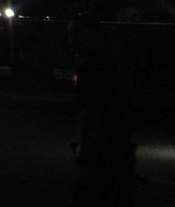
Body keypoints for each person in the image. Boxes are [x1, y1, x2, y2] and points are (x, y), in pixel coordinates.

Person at [69, 12, 136, 207]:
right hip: (119, 153)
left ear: (94, 35)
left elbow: (91, 114)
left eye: (77, 33)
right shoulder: (113, 64)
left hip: (103, 157)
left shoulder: (92, 70)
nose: (72, 40)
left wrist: (84, 155)